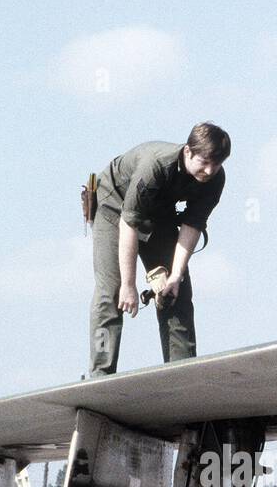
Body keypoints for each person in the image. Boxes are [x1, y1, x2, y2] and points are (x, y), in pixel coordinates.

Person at [89, 123, 230, 375]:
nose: (209, 170)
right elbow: (129, 222)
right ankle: (100, 374)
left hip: (159, 215)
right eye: (204, 162)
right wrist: (129, 284)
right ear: (188, 151)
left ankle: (182, 372)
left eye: (216, 164)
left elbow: (193, 225)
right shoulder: (155, 166)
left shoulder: (214, 179)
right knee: (111, 292)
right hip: (115, 208)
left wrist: (175, 275)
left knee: (176, 292)